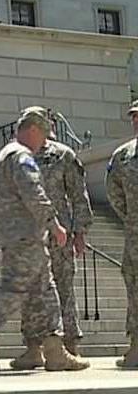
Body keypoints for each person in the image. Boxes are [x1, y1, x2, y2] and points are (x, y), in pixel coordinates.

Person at [0, 107, 89, 373]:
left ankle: (54, 350)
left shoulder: (3, 156)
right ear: (34, 130)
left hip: (16, 235)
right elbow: (33, 192)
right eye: (44, 134)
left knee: (46, 292)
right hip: (26, 236)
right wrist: (54, 224)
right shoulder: (21, 156)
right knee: (11, 293)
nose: (45, 142)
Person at [12, 108, 94, 368]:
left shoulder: (63, 155)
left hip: (59, 236)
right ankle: (33, 349)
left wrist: (80, 232)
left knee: (64, 289)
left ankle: (69, 345)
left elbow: (78, 195)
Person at [105, 99, 138, 368]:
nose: (136, 120)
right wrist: (130, 218)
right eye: (134, 117)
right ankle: (136, 345)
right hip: (135, 236)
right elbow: (113, 191)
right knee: (135, 289)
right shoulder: (123, 156)